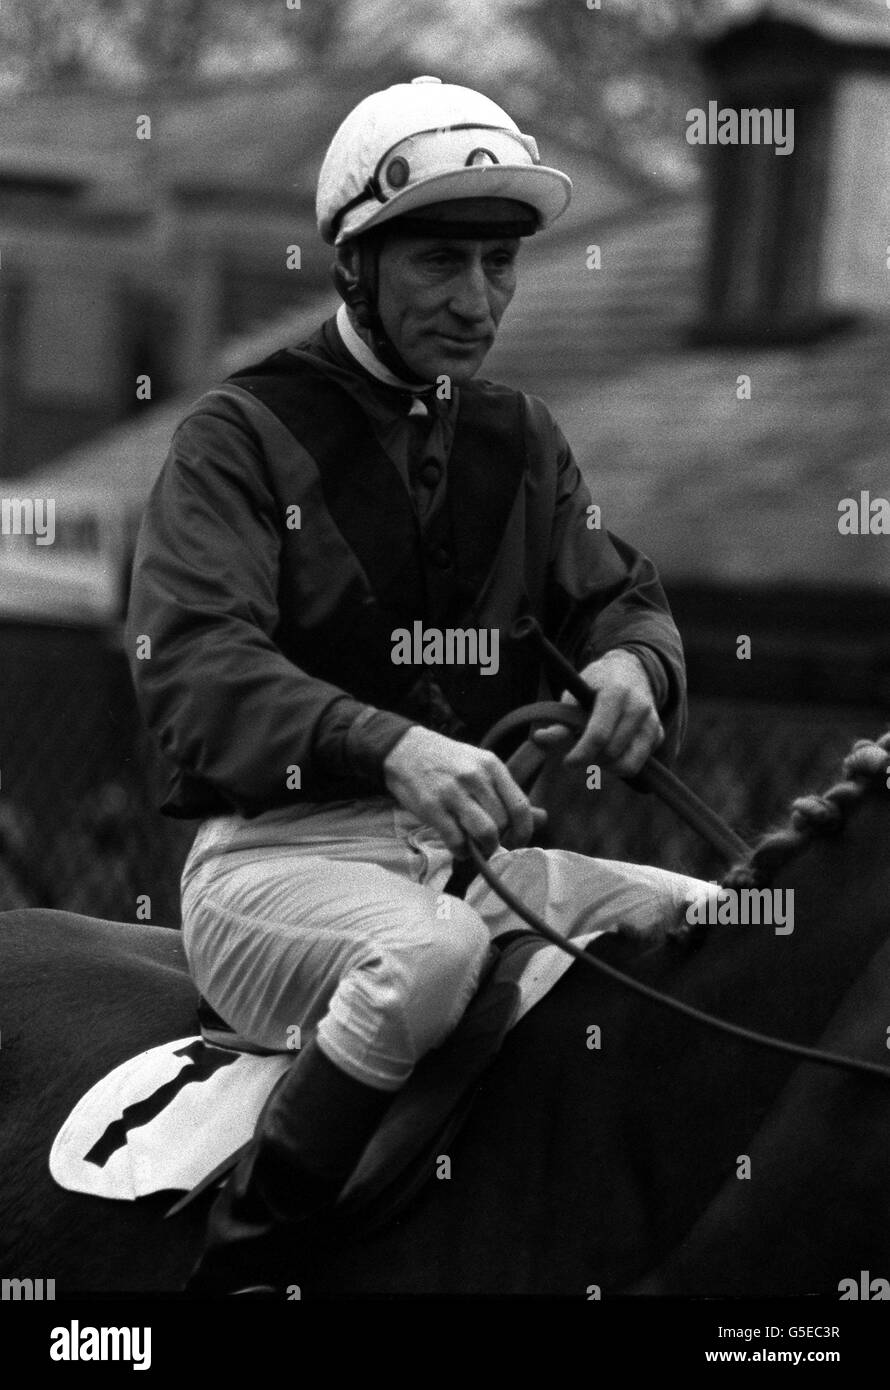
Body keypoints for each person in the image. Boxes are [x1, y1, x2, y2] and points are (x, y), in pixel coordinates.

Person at [126, 76, 702, 1296]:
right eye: (441, 263)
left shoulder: (522, 438)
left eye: (498, 266)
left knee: (711, 928)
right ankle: (241, 1265)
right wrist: (389, 745)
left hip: (478, 869)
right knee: (429, 953)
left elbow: (618, 595)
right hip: (275, 868)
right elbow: (194, 666)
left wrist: (633, 660)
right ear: (355, 266)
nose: (476, 301)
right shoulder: (233, 437)